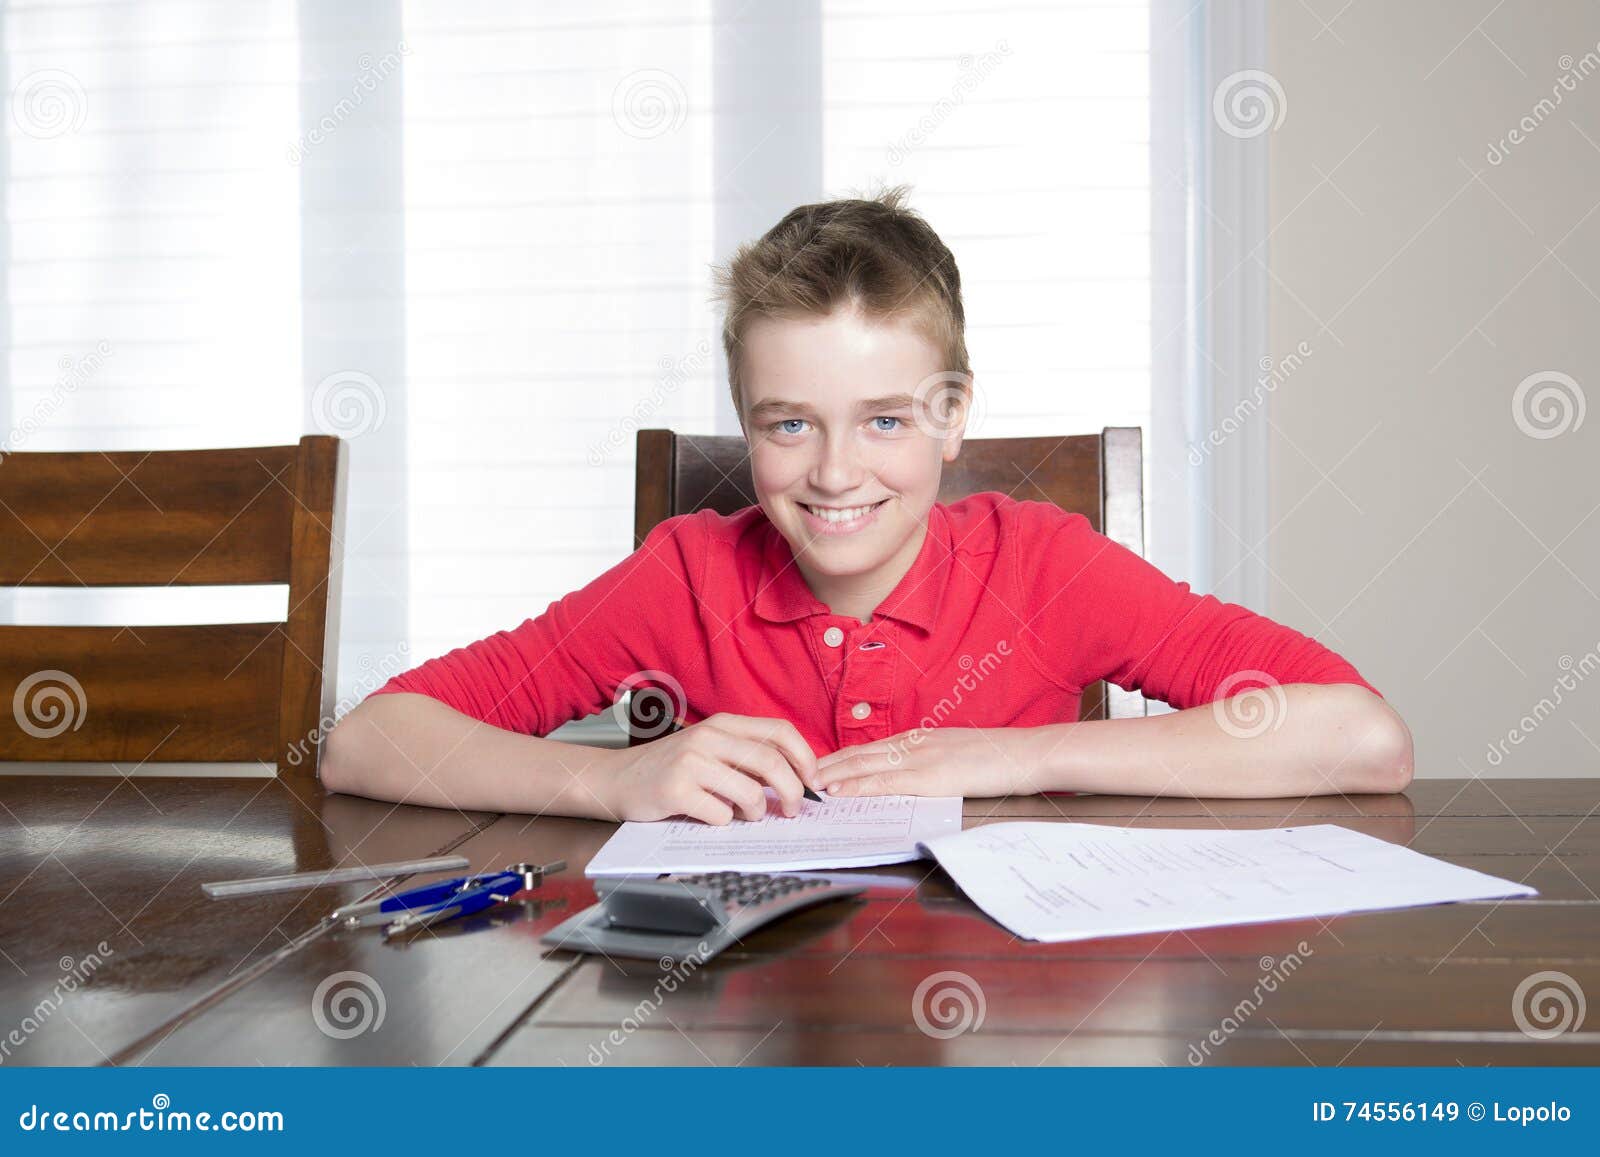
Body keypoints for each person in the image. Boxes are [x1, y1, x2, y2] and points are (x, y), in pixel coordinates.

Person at [321, 187, 1413, 822]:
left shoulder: (1045, 566)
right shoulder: (689, 575)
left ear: (953, 414)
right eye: (788, 423)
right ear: (744, 414)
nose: (836, 473)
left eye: (885, 420)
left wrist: (1019, 755)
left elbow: (1361, 736)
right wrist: (612, 777)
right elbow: (365, 742)